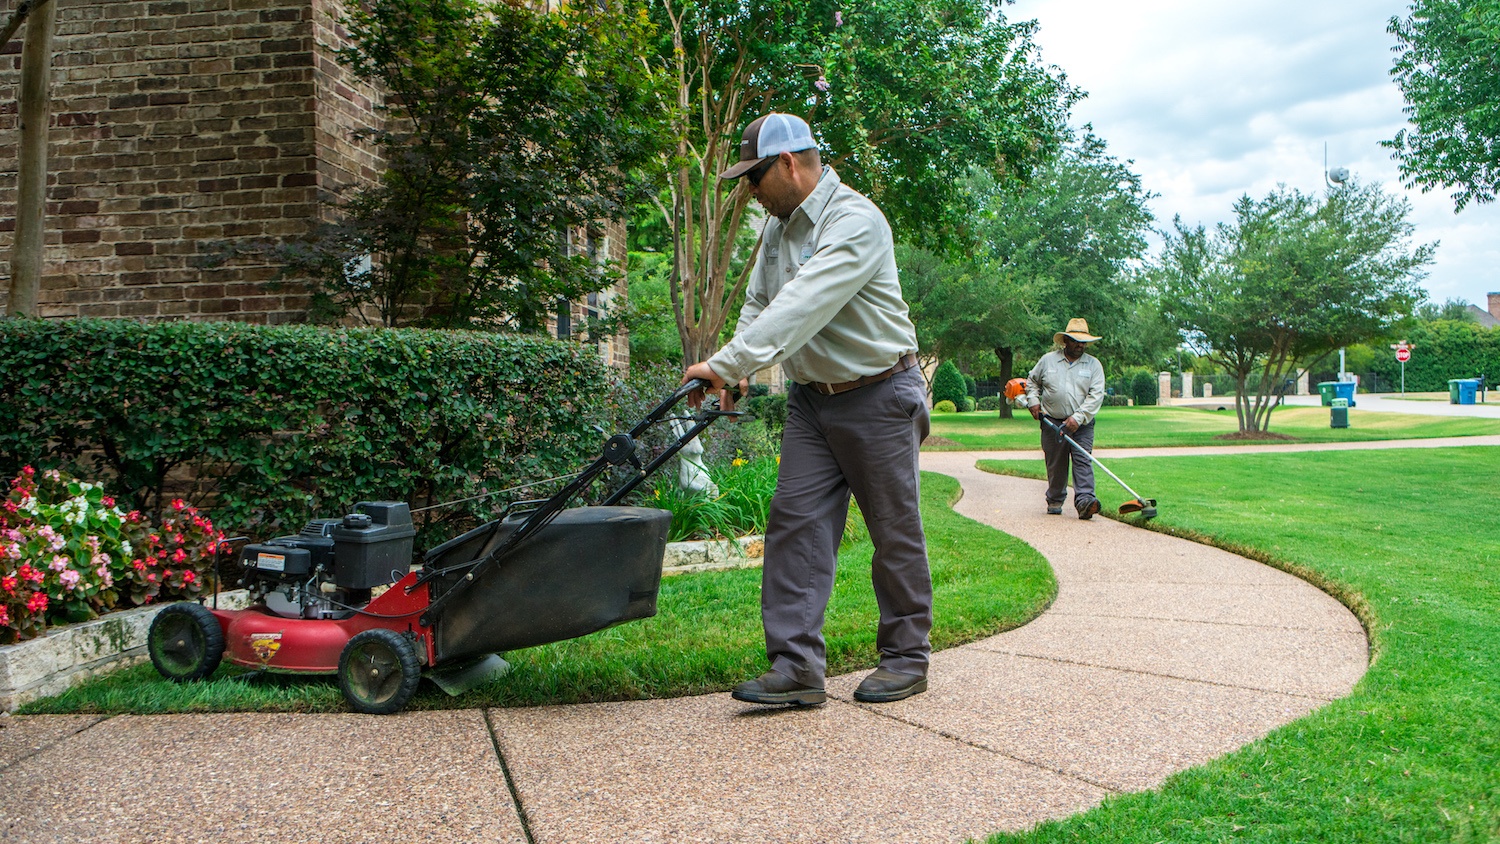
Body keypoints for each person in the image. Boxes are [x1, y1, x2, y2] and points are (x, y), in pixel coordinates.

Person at [681, 112, 932, 706]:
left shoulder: (855, 221)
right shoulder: (778, 227)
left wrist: (726, 364)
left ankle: (905, 657)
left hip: (879, 394)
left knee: (893, 531)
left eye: (754, 177)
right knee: (794, 524)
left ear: (789, 164)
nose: (749, 191)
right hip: (812, 402)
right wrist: (732, 369)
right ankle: (796, 668)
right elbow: (761, 302)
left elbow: (804, 303)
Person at [1025, 318, 1107, 519]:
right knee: (1055, 464)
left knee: (1083, 460)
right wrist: (1033, 401)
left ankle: (1085, 502)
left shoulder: (1094, 365)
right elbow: (1032, 382)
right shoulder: (1047, 361)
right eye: (1075, 340)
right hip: (1052, 422)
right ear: (1065, 341)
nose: (1080, 345)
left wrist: (1078, 418)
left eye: (1083, 341)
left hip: (1083, 425)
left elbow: (1096, 396)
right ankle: (1054, 499)